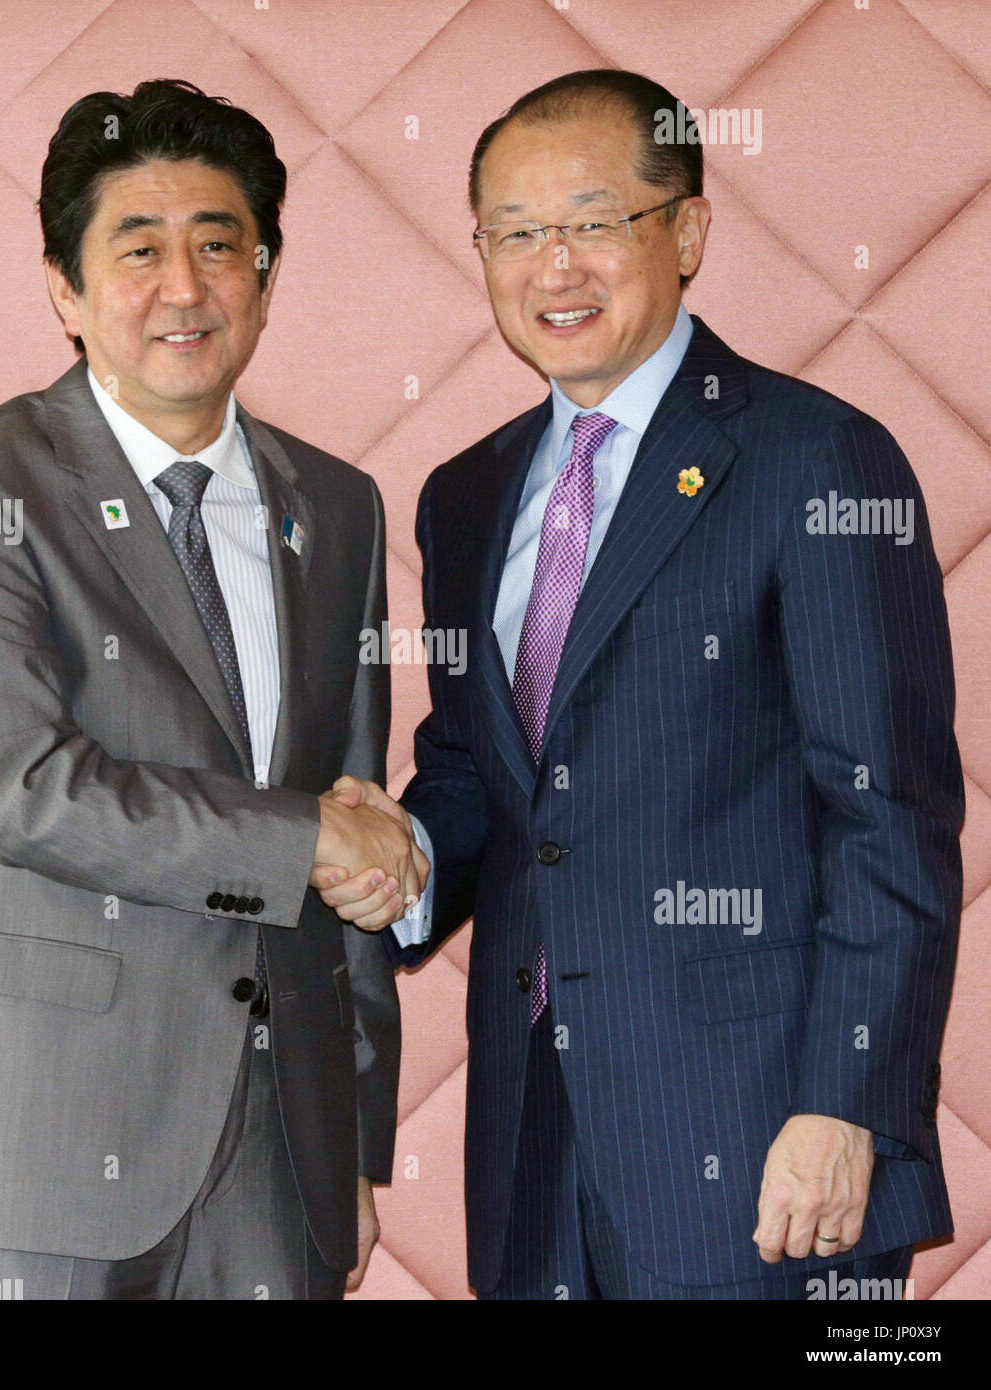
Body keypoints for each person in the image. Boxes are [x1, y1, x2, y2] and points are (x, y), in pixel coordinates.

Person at [317, 69, 962, 1300]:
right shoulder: (467, 493)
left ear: (689, 232)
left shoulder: (813, 456)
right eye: (515, 232)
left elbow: (892, 815)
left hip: (770, 1139)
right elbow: (478, 769)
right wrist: (397, 866)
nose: (551, 265)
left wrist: (848, 1107)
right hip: (533, 1133)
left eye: (594, 221)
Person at [0, 78, 424, 1301]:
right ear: (65, 287)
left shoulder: (336, 507)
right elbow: (26, 791)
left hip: (280, 1164)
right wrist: (306, 841)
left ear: (266, 277)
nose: (186, 288)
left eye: (220, 247)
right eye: (140, 249)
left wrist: (356, 1132)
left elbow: (352, 802)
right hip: (39, 1151)